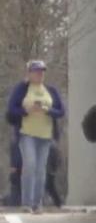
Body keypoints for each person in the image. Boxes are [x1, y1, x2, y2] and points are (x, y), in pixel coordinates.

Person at [6, 60, 64, 214]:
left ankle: (37, 204)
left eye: (42, 71)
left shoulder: (50, 90)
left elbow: (61, 111)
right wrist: (26, 110)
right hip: (27, 134)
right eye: (36, 71)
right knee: (30, 165)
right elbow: (11, 109)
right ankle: (26, 203)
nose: (40, 74)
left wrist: (47, 110)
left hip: (45, 135)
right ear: (29, 73)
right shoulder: (22, 89)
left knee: (40, 170)